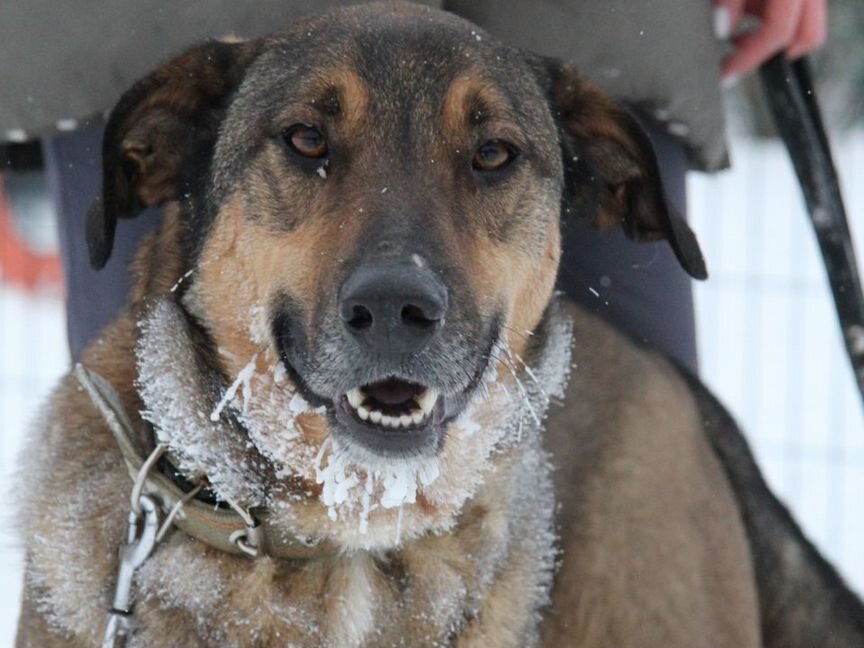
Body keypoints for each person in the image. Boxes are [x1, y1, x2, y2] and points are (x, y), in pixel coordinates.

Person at [0, 0, 826, 369]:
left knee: (636, 498)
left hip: (584, 18)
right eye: (308, 142)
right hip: (176, 16)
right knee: (167, 482)